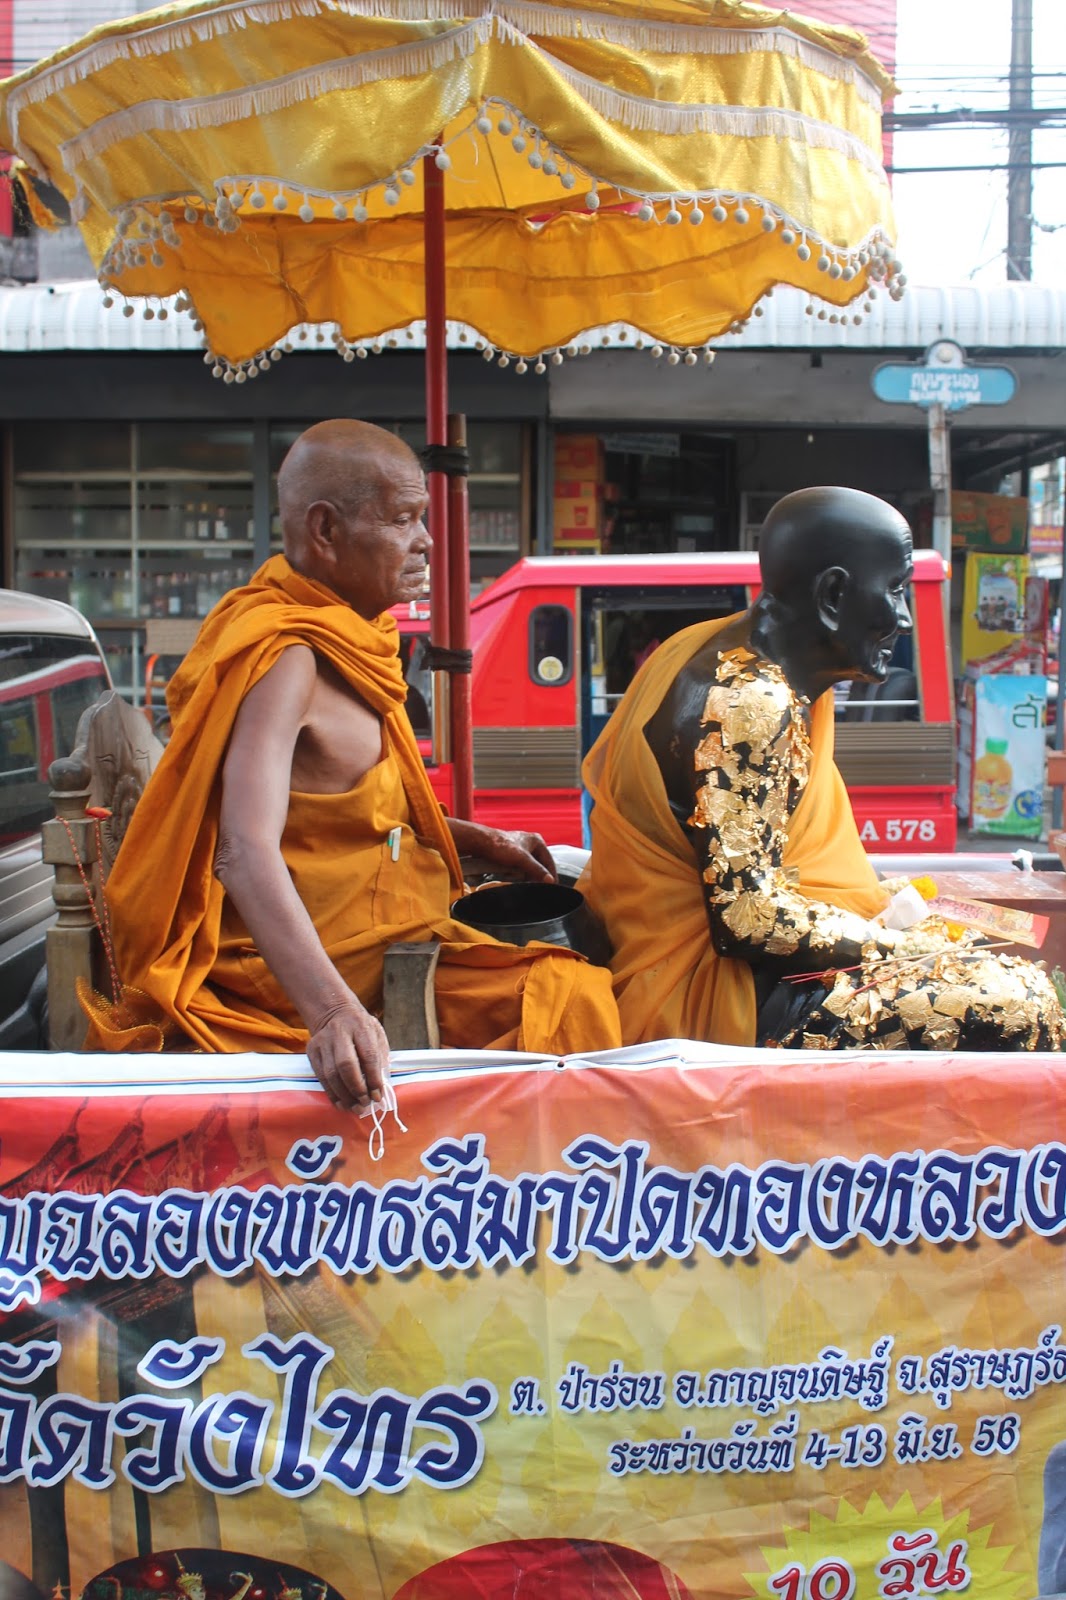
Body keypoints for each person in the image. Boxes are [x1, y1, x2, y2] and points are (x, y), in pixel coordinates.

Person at [84, 420, 620, 1103]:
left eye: (423, 519)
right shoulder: (285, 656)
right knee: (572, 993)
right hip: (302, 967)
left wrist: (481, 841)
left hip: (387, 925)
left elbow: (362, 820)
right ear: (325, 532)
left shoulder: (360, 636)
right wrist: (332, 1012)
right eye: (402, 520)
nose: (426, 541)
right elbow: (244, 851)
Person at [580, 486, 1065, 1051]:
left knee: (986, 951)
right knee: (1023, 1006)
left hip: (726, 957)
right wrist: (911, 945)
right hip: (716, 991)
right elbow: (748, 919)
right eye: (895, 590)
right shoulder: (751, 703)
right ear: (833, 594)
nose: (904, 619)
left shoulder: (720, 648)